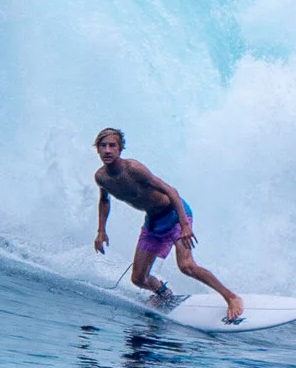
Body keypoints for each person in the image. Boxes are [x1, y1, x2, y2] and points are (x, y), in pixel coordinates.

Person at [90, 127, 243, 324]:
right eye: (103, 146)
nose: (108, 150)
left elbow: (171, 191)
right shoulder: (101, 178)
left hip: (175, 215)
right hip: (153, 222)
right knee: (138, 278)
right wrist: (101, 231)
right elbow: (104, 201)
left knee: (186, 266)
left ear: (120, 149)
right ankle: (163, 294)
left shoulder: (134, 169)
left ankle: (231, 297)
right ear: (97, 149)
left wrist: (185, 225)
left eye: (112, 145)